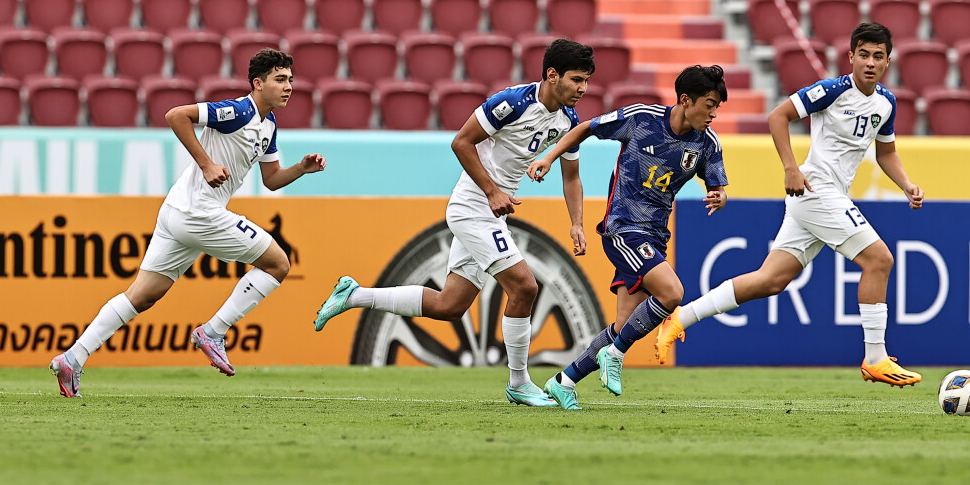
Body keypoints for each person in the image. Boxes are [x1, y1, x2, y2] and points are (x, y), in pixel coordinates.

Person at [314, 39, 595, 407]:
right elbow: (461, 142)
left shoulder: (567, 120)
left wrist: (576, 222)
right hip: (474, 205)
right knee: (525, 287)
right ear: (552, 75)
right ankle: (519, 383)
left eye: (586, 81)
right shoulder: (512, 103)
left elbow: (571, 176)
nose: (583, 89)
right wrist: (493, 191)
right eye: (576, 79)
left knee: (450, 305)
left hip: (489, 211)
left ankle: (354, 295)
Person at [655, 22, 925, 387]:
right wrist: (790, 168)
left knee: (770, 280)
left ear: (888, 61)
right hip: (815, 190)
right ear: (850, 57)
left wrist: (907, 185)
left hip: (823, 198)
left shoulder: (885, 103)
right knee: (879, 260)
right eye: (863, 54)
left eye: (878, 56)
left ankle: (680, 319)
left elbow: (886, 151)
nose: (870, 62)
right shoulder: (831, 91)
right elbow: (777, 116)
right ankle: (875, 357)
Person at [49, 49, 327, 397]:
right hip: (199, 211)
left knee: (142, 295)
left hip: (179, 212)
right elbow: (176, 115)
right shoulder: (238, 111)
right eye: (280, 79)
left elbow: (271, 179)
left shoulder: (268, 126)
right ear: (258, 83)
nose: (289, 86)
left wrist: (300, 169)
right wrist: (207, 164)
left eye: (290, 79)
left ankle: (72, 359)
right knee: (278, 263)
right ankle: (213, 331)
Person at [526, 64, 729, 410]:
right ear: (685, 100)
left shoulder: (706, 144)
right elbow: (586, 128)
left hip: (655, 237)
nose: (713, 113)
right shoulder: (641, 118)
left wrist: (720, 196)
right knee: (673, 293)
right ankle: (615, 356)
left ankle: (563, 381)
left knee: (624, 324)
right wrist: (548, 158)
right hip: (622, 228)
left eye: (717, 107)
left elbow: (718, 186)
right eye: (709, 104)